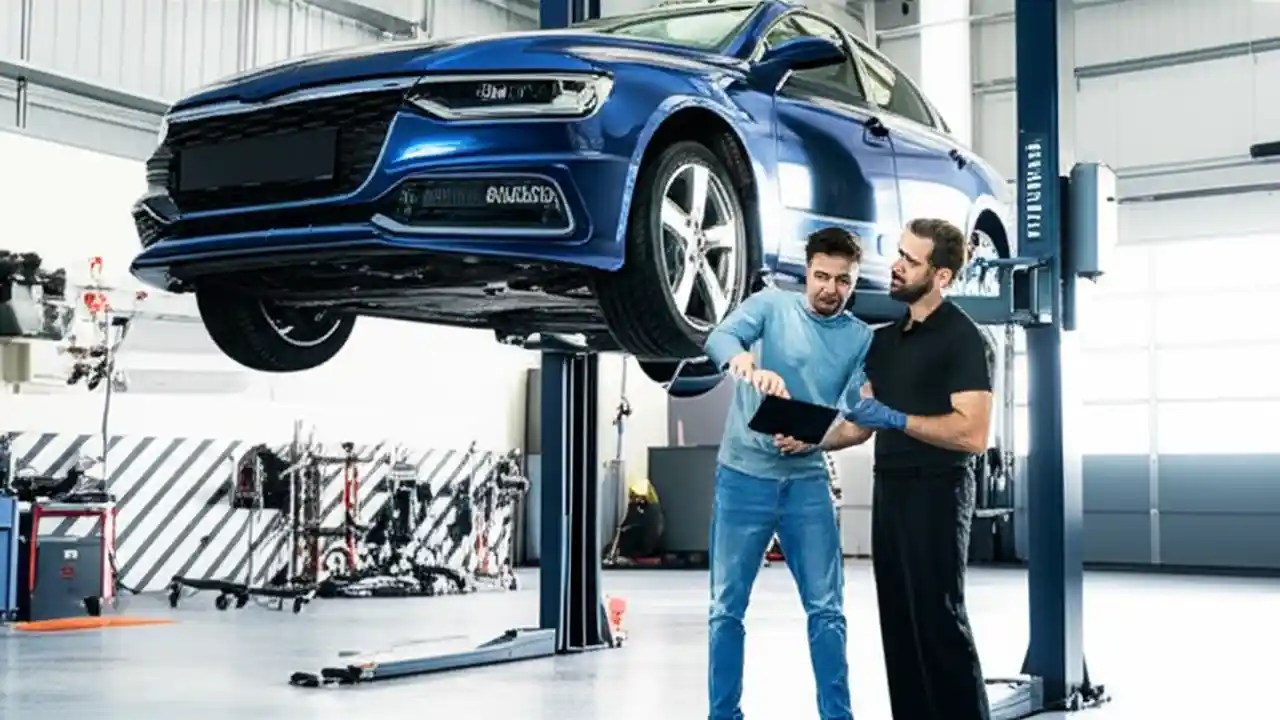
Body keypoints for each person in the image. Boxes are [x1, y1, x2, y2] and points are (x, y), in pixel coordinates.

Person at [814, 217, 995, 720]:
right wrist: (810, 438)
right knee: (898, 622)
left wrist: (897, 418)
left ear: (941, 275)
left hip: (939, 491)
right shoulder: (887, 342)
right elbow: (860, 426)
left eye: (910, 260)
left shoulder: (963, 337)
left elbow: (973, 433)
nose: (895, 266)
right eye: (898, 253)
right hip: (889, 490)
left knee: (938, 621)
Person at [702, 227, 873, 720]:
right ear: (807, 272)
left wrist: (817, 439)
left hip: (807, 484)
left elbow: (861, 420)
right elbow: (720, 337)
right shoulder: (771, 306)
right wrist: (745, 363)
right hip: (742, 478)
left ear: (853, 281)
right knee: (725, 610)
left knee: (827, 609)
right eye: (822, 276)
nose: (830, 289)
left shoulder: (859, 339)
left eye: (843, 280)